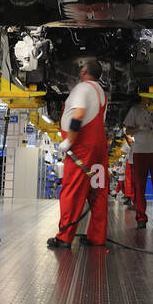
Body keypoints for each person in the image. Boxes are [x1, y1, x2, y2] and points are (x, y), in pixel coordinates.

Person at [48, 57, 108, 249]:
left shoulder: (82, 88)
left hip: (82, 148)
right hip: (99, 149)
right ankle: (97, 236)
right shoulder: (101, 92)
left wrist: (69, 140)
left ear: (83, 72)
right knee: (97, 191)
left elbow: (79, 114)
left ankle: (64, 237)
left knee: (72, 190)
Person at [123, 100, 153, 230]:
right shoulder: (135, 109)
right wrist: (140, 128)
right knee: (139, 187)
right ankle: (141, 218)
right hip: (140, 152)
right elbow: (128, 130)